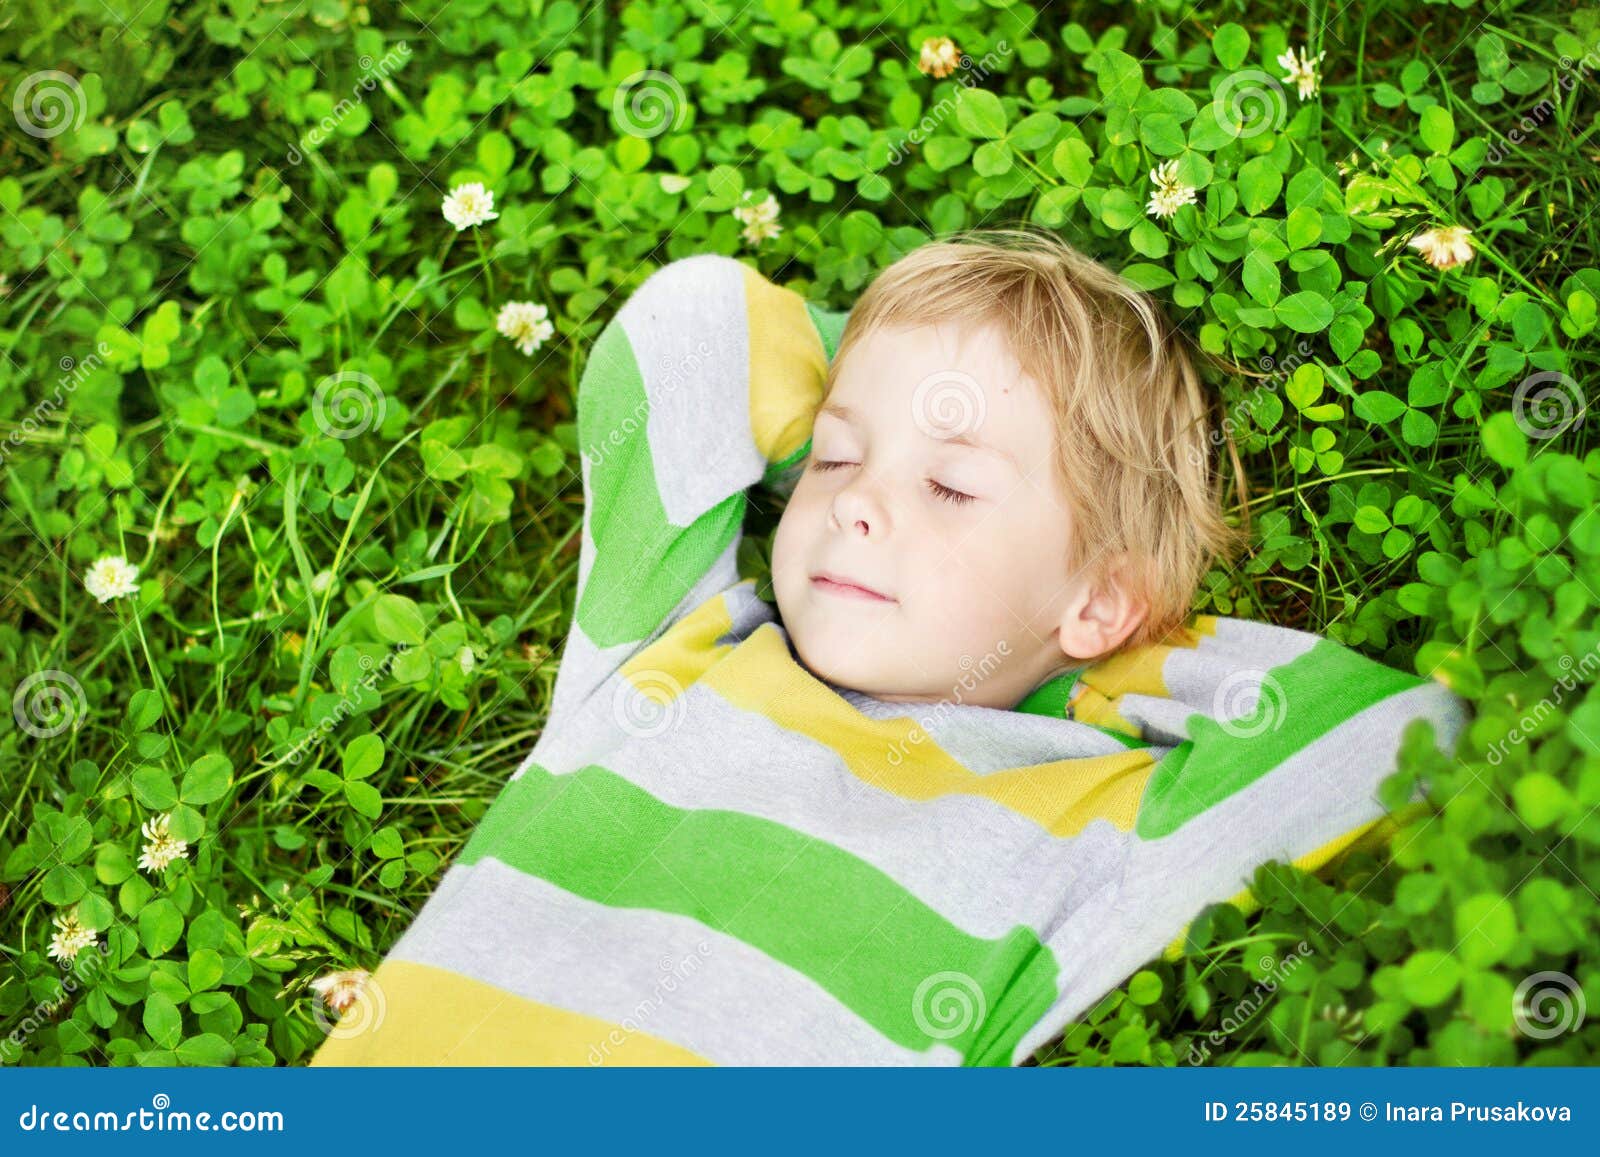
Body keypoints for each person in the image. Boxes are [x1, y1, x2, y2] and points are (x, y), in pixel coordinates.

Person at [312, 227, 1468, 1066]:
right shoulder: (673, 645)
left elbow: (1390, 731)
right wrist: (903, 388)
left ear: (1102, 599)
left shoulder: (1091, 811)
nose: (858, 504)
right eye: (831, 456)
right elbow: (689, 329)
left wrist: (1098, 642)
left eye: (951, 487)